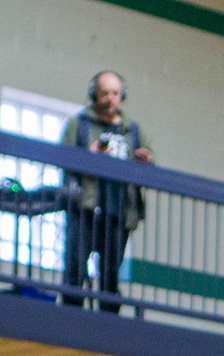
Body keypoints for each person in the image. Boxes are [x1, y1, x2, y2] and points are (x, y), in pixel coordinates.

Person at [61, 71, 153, 313]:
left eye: (115, 93)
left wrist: (144, 163)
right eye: (105, 93)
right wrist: (87, 156)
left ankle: (108, 324)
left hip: (119, 211)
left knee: (111, 273)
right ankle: (70, 320)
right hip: (84, 207)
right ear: (94, 95)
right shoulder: (78, 124)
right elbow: (62, 159)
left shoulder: (133, 131)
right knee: (75, 268)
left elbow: (150, 168)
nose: (111, 98)